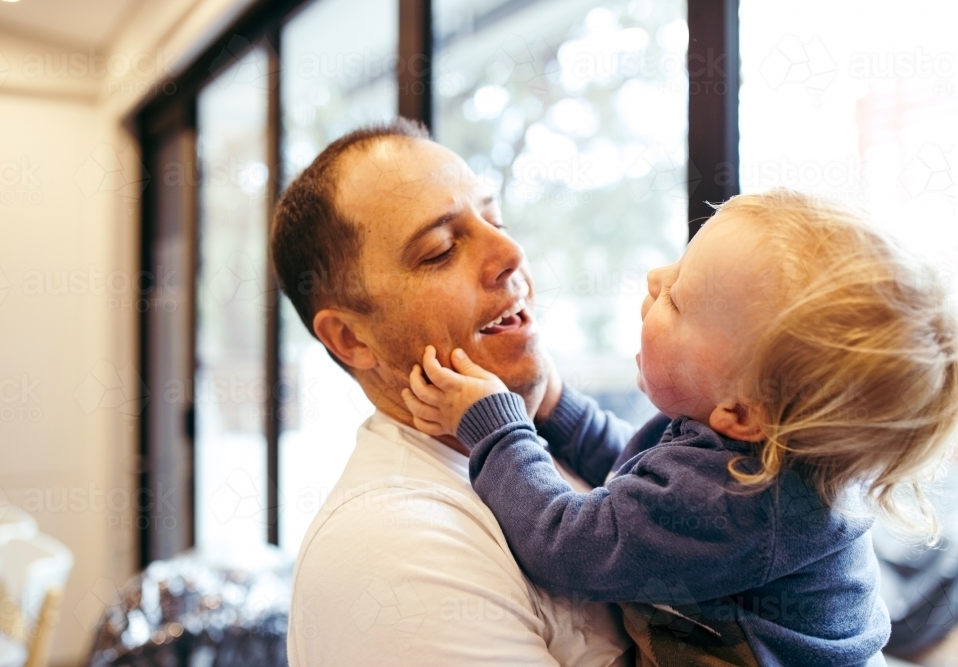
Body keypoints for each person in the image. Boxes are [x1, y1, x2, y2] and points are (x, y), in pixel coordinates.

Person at [402, 190, 958, 666]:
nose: (654, 278)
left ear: (740, 413)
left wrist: (497, 432)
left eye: (676, 298)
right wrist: (557, 409)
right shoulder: (748, 450)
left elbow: (572, 543)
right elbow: (640, 482)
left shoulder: (746, 499)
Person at [271, 119, 630, 665]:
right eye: (439, 250)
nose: (510, 252)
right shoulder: (389, 551)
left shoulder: (552, 450)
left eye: (495, 218)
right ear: (351, 338)